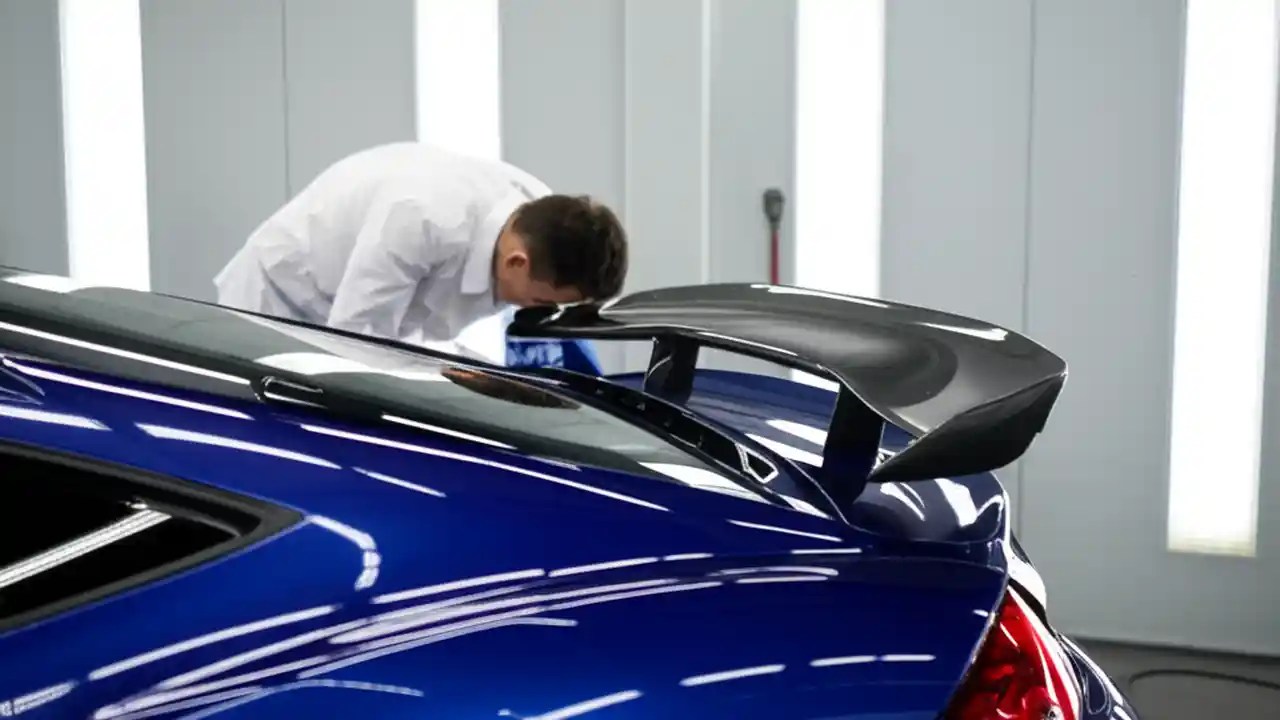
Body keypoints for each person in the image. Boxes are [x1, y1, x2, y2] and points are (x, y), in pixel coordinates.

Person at [213, 142, 627, 355]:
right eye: (538, 301)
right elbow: (356, 344)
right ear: (516, 261)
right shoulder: (424, 218)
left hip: (359, 317)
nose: (534, 311)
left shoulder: (536, 216)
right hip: (281, 298)